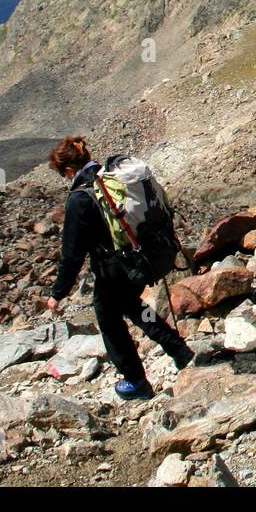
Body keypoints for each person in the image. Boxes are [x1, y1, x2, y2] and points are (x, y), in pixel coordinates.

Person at [44, 136, 192, 400]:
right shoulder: (110, 179)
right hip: (141, 258)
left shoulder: (80, 199)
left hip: (115, 270)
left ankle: (136, 381)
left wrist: (57, 293)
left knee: (109, 320)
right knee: (134, 308)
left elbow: (71, 254)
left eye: (62, 175)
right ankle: (178, 350)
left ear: (68, 171)